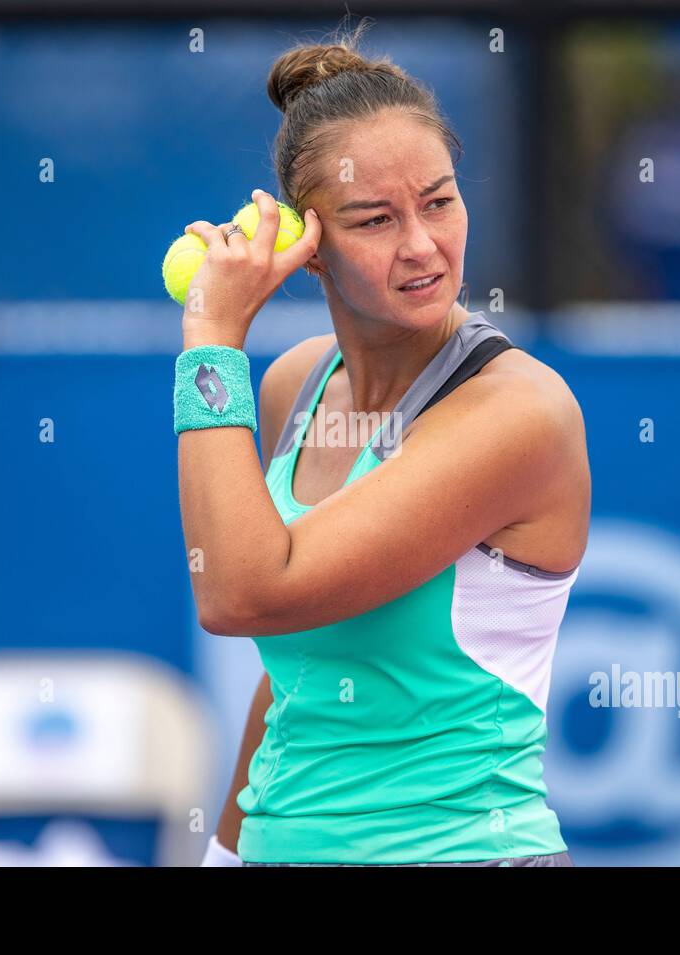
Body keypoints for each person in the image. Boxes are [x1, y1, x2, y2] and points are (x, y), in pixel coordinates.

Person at [178, 21, 590, 866]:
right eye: (374, 219)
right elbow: (295, 675)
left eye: (440, 200)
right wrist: (222, 855)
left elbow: (243, 596)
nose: (423, 246)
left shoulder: (520, 414)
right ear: (309, 246)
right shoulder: (294, 384)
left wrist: (211, 336)